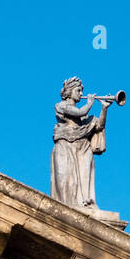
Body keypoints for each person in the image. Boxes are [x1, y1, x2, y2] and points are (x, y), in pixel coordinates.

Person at [50, 77, 108, 211]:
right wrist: (90, 102)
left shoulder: (83, 120)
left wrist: (104, 108)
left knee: (83, 181)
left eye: (82, 91)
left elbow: (99, 125)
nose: (81, 94)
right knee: (66, 181)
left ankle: (84, 203)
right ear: (69, 91)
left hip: (82, 148)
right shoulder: (61, 106)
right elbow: (79, 112)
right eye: (78, 91)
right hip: (65, 146)